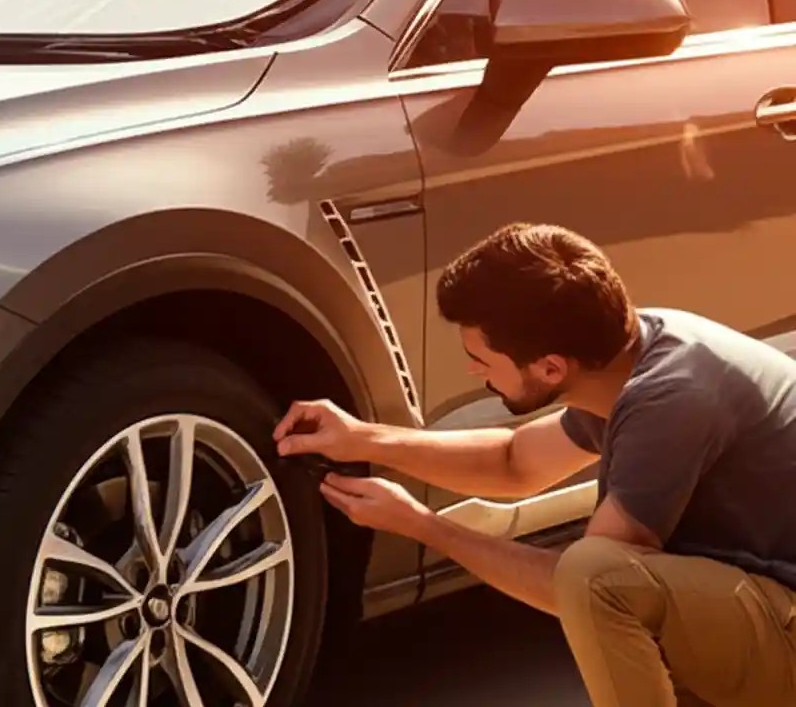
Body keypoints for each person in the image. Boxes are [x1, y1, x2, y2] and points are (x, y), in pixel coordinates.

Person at [273, 223, 796, 707]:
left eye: (482, 357)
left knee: (599, 576)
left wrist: (422, 525)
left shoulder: (671, 398)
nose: (473, 368)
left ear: (550, 368)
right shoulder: (633, 352)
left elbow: (582, 587)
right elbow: (515, 462)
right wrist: (365, 440)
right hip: (760, 600)